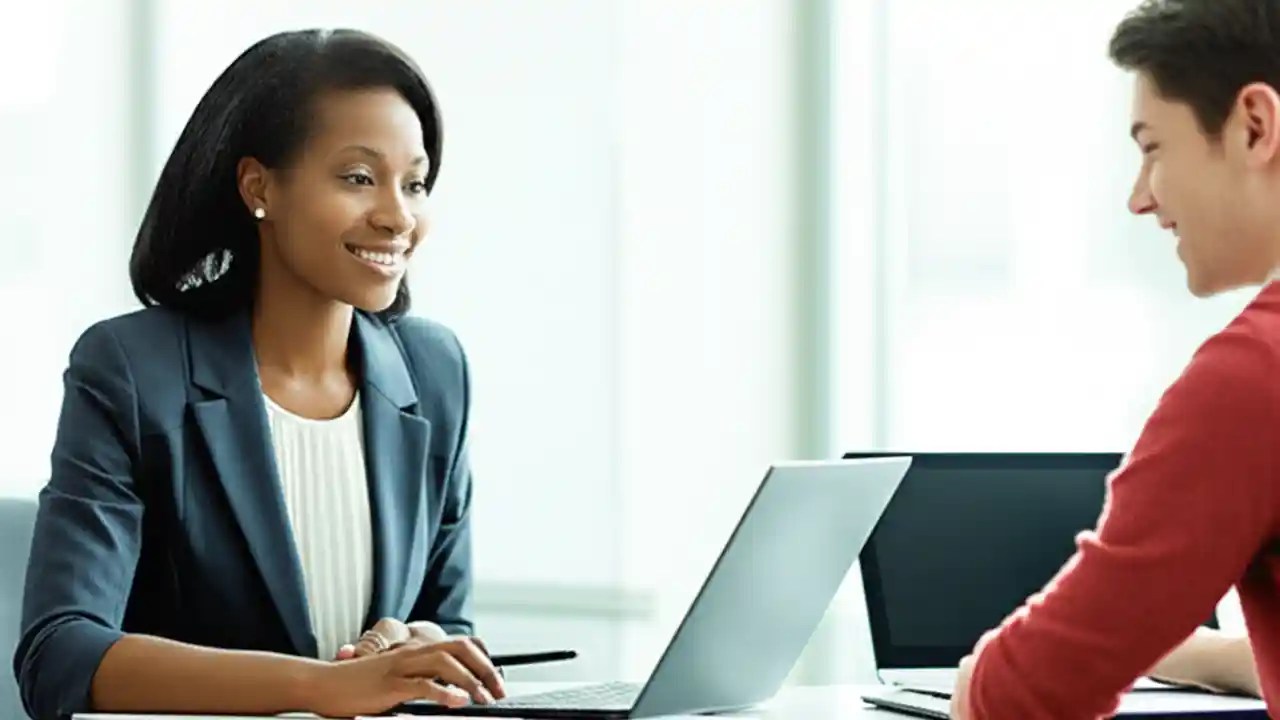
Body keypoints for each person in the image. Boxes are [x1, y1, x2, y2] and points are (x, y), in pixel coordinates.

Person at [11, 29, 506, 720]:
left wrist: (412, 645)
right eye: (359, 177)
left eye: (415, 182)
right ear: (258, 187)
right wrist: (324, 687)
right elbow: (61, 656)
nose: (398, 216)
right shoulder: (131, 370)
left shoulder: (434, 369)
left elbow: (444, 617)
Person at [949, 1, 1280, 717]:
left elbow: (1023, 696)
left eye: (1153, 147)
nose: (1139, 198)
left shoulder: (1253, 381)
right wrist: (1180, 646)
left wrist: (977, 679)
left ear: (1255, 126)